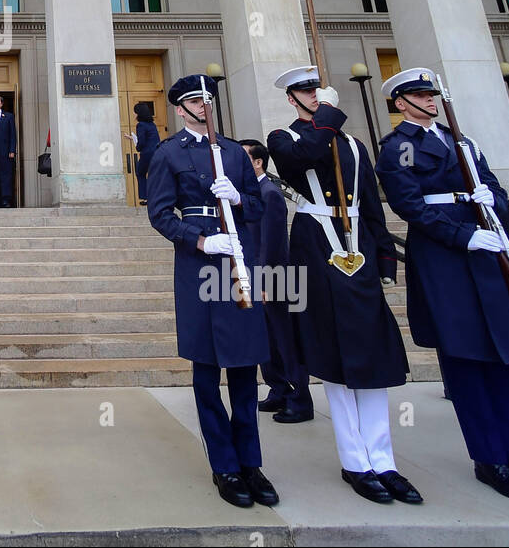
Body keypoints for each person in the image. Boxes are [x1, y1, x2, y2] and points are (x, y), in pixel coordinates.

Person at [375, 67, 509, 507]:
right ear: (401, 103)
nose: (430, 101)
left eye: (432, 94)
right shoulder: (399, 147)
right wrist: (463, 233)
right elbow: (409, 206)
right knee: (466, 361)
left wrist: (489, 200)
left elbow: (494, 185)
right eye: (420, 96)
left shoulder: (463, 140)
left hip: (487, 254)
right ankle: (489, 459)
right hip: (445, 258)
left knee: (502, 357)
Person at [267, 67, 421, 505]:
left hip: (359, 247)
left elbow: (370, 202)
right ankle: (355, 461)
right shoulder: (284, 138)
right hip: (316, 245)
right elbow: (306, 157)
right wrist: (330, 114)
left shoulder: (353, 143)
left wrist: (386, 257)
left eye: (318, 89)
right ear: (292, 98)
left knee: (371, 353)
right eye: (306, 91)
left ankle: (384, 460)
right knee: (334, 352)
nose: (315, 95)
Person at [145, 74, 276, 509]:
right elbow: (160, 214)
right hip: (200, 260)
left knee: (243, 367)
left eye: (208, 99)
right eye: (194, 100)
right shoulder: (168, 153)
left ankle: (251, 464)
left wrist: (238, 198)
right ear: (180, 108)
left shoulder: (236, 153)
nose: (204, 105)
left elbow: (258, 207)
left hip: (237, 257)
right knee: (206, 369)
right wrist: (200, 240)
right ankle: (223, 464)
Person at [239, 138, 313, 425]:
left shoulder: (269, 193)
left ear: (258, 162)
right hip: (252, 275)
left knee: (283, 339)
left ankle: (300, 398)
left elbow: (273, 241)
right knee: (264, 338)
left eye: (244, 157)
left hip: (273, 276)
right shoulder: (249, 192)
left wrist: (266, 280)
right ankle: (278, 389)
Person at [128, 100, 160, 205]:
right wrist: (132, 138)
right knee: (153, 175)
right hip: (156, 153)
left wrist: (137, 147)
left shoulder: (140, 125)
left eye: (135, 112)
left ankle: (145, 197)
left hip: (147, 154)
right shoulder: (152, 124)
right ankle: (156, 196)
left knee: (140, 173)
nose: (134, 114)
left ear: (138, 113)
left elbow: (142, 142)